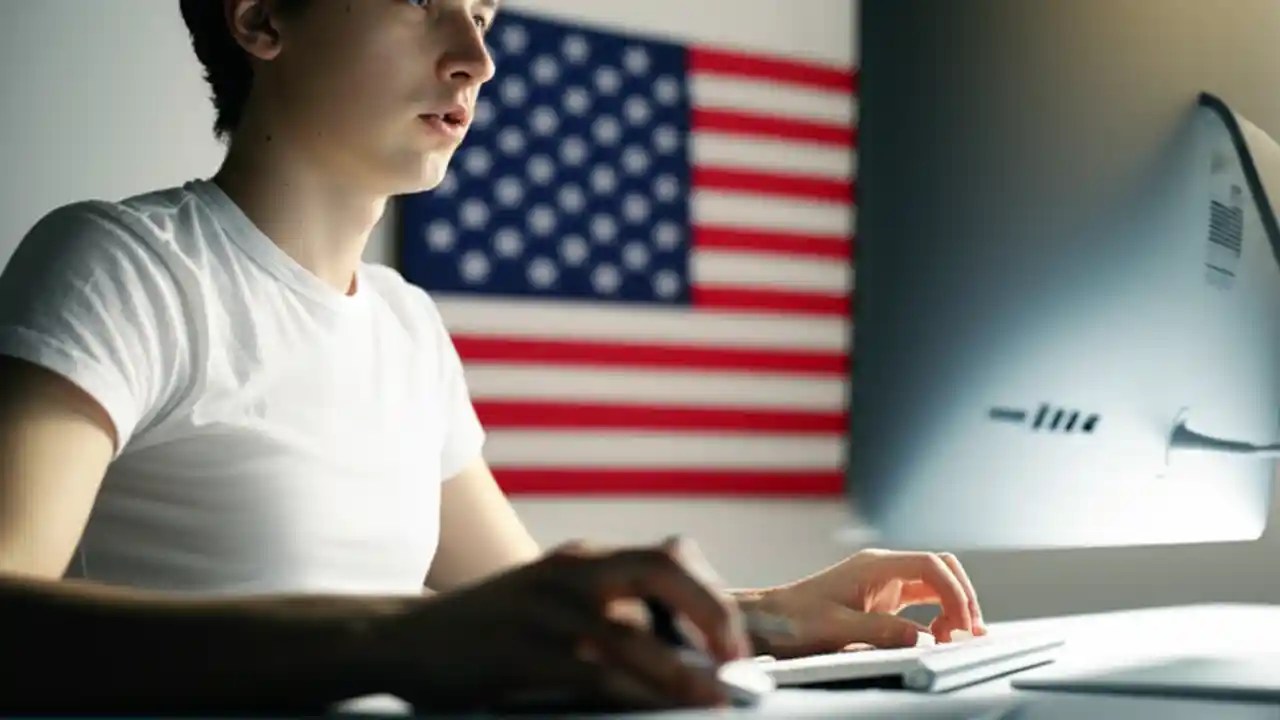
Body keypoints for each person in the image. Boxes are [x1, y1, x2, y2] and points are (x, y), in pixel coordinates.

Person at [0, 0, 987, 713]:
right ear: (260, 20)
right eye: (424, 3)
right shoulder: (123, 264)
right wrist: (397, 641)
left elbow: (521, 609)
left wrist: (774, 617)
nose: (475, 56)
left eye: (482, 10)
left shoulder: (404, 323)